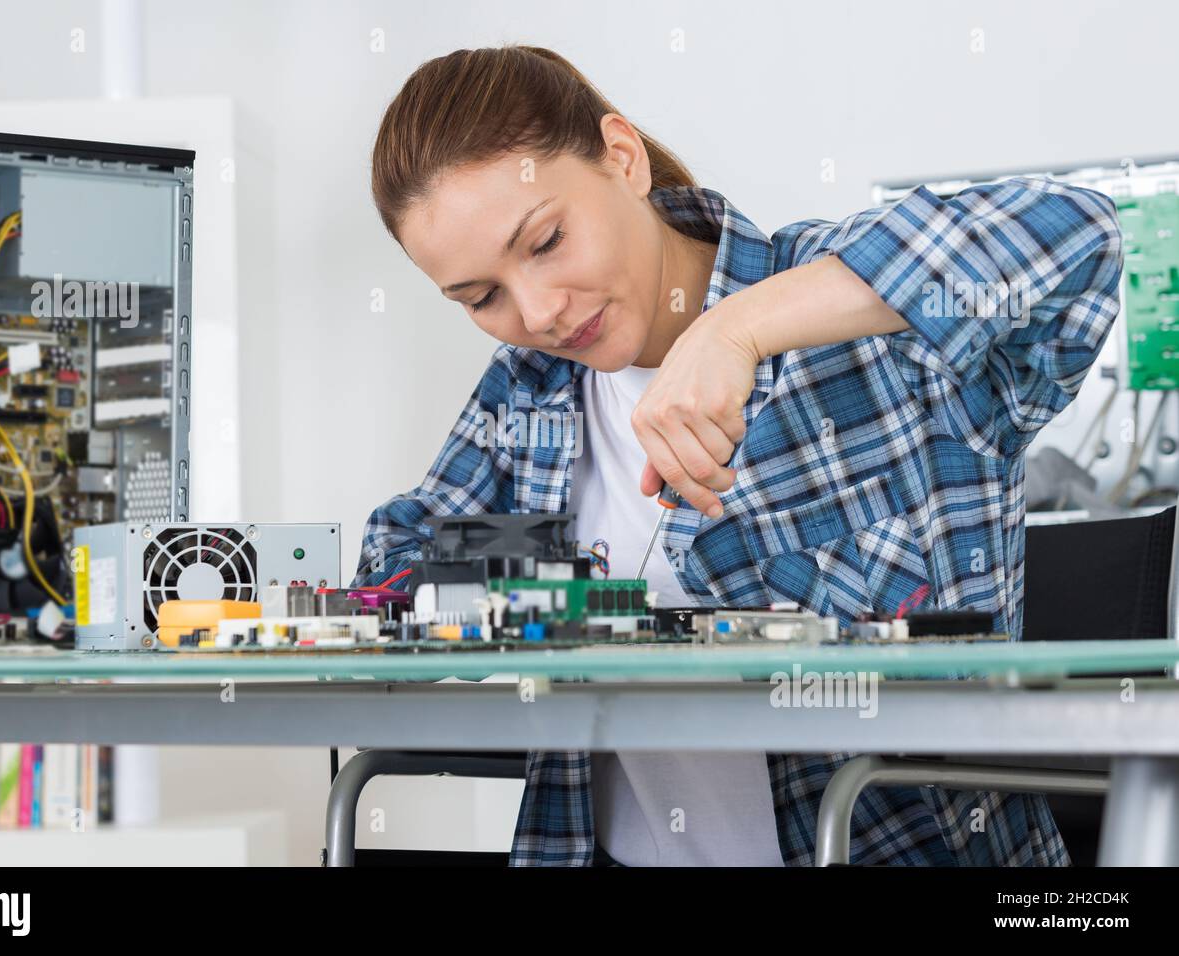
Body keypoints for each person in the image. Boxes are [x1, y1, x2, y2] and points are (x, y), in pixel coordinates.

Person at [352, 44, 1124, 866]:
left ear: (621, 158)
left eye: (546, 242)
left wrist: (736, 328)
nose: (538, 312)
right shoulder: (533, 388)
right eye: (482, 298)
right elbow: (395, 567)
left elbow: (1080, 234)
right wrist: (554, 590)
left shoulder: (873, 331)